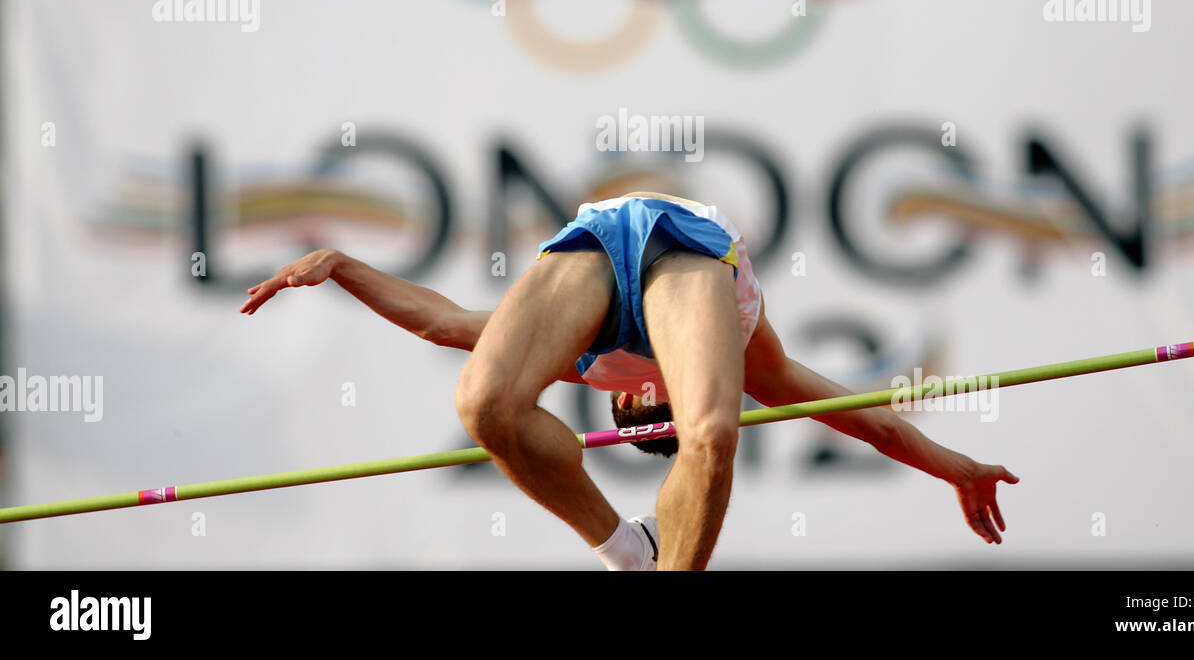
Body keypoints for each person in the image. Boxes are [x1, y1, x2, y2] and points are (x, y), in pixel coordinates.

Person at [241, 191, 1018, 570]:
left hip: (595, 254)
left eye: (629, 407)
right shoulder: (749, 356)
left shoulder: (581, 355)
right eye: (656, 409)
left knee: (492, 398)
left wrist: (343, 268)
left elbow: (439, 320)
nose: (641, 395)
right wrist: (957, 467)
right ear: (669, 397)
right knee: (491, 404)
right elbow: (865, 419)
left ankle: (632, 557)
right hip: (679, 250)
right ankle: (632, 550)